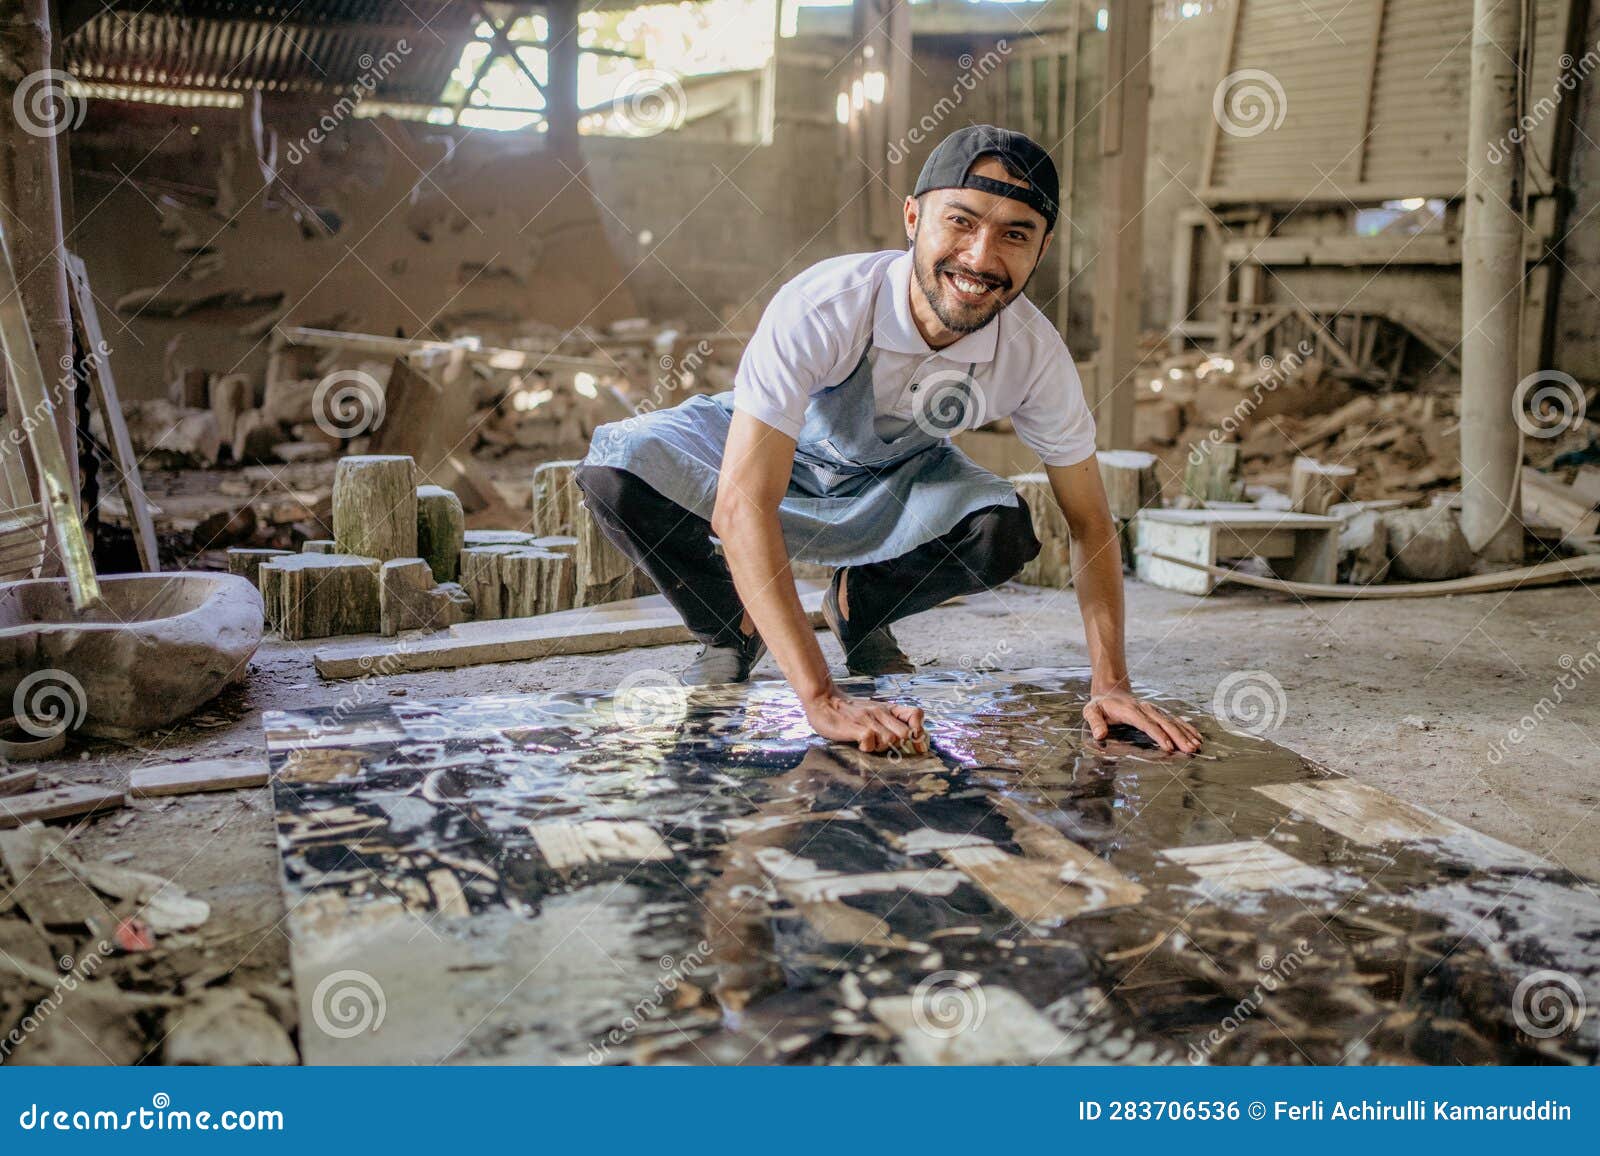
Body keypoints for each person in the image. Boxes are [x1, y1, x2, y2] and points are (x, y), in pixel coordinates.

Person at [578, 125, 1202, 757]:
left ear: (1040, 249)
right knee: (618, 470)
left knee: (1000, 529)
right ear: (912, 217)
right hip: (766, 445)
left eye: (1015, 234)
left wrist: (1112, 684)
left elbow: (1092, 523)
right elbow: (743, 504)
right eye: (960, 221)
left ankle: (859, 604)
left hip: (892, 475)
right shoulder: (827, 304)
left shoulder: (1034, 356)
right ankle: (731, 625)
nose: (982, 258)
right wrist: (822, 701)